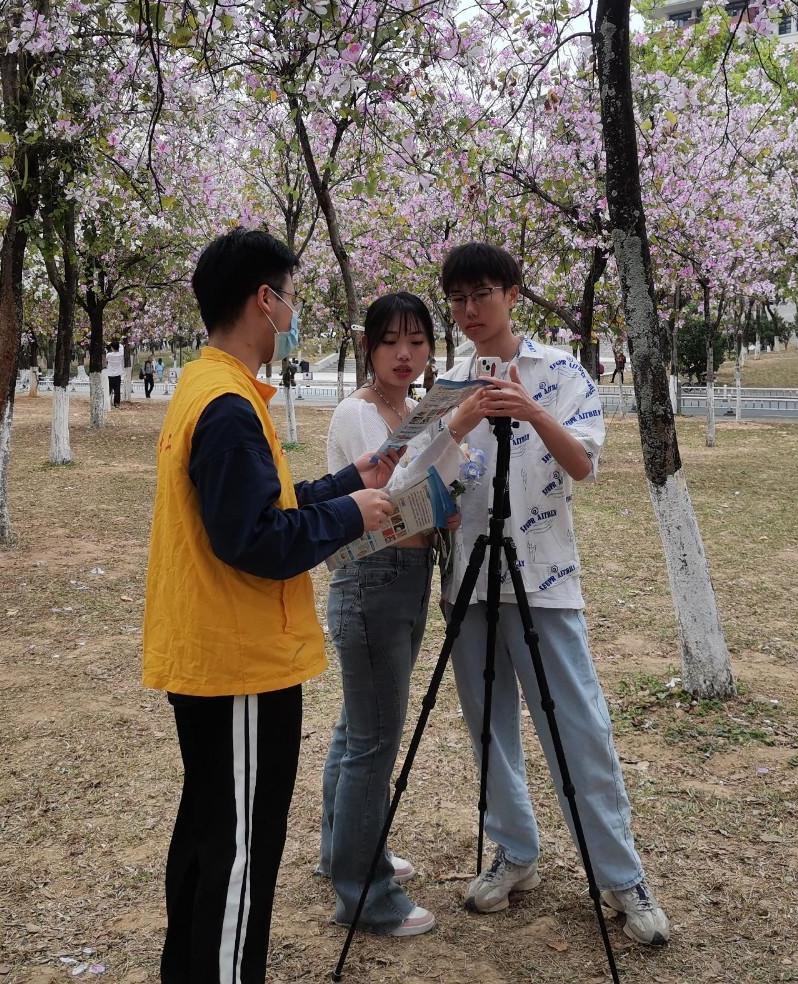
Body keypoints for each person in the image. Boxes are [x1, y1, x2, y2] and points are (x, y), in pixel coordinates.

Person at [142, 227, 400, 984]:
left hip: (217, 656)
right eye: (290, 296)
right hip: (240, 668)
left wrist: (349, 482)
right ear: (264, 300)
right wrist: (355, 515)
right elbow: (255, 538)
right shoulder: (227, 406)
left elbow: (262, 504)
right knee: (238, 852)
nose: (293, 311)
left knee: (210, 831)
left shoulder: (209, 386)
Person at [439, 242, 670, 947]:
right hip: (469, 577)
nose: (469, 311)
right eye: (457, 299)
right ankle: (515, 850)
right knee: (488, 727)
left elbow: (583, 465)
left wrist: (532, 412)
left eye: (482, 294)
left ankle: (620, 875)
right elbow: (425, 473)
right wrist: (454, 425)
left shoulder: (563, 371)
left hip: (544, 578)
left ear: (512, 294)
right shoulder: (450, 380)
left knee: (579, 727)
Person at [318, 291, 485, 937]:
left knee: (356, 730)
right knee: (373, 740)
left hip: (403, 576)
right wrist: (453, 431)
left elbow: (431, 487)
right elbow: (391, 493)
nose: (405, 354)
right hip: (373, 576)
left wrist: (444, 499)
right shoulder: (359, 412)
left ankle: (343, 854)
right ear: (368, 347)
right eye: (390, 341)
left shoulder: (411, 410)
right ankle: (365, 896)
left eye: (417, 341)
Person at [106, 340, 124, 408]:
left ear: (112, 347)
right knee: (117, 391)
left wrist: (108, 343)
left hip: (110, 375)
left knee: (109, 390)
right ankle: (117, 404)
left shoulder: (109, 355)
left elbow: (106, 360)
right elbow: (121, 347)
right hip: (117, 375)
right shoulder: (120, 355)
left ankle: (107, 403)